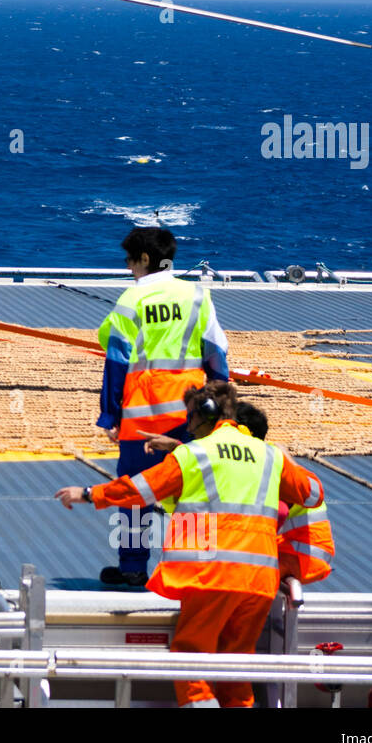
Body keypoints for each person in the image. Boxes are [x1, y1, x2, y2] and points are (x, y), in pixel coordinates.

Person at [55, 381, 326, 707]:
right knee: (237, 664)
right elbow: (312, 493)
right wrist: (285, 461)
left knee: (188, 654)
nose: (188, 424)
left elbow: (139, 490)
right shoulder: (269, 456)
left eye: (192, 416)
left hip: (213, 574)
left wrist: (88, 494)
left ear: (207, 414)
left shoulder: (193, 454)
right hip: (260, 581)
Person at [94, 226, 229, 586]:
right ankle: (193, 567)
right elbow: (216, 348)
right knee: (192, 488)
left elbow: (116, 357)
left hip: (143, 416)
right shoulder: (197, 295)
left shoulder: (132, 299)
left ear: (143, 260)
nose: (127, 267)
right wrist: (223, 397)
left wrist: (109, 414)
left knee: (135, 490)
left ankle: (134, 567)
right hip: (192, 415)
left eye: (129, 260)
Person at [234, 401, 335, 585]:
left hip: (299, 555)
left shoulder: (266, 461)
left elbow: (282, 510)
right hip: (293, 551)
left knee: (233, 577)